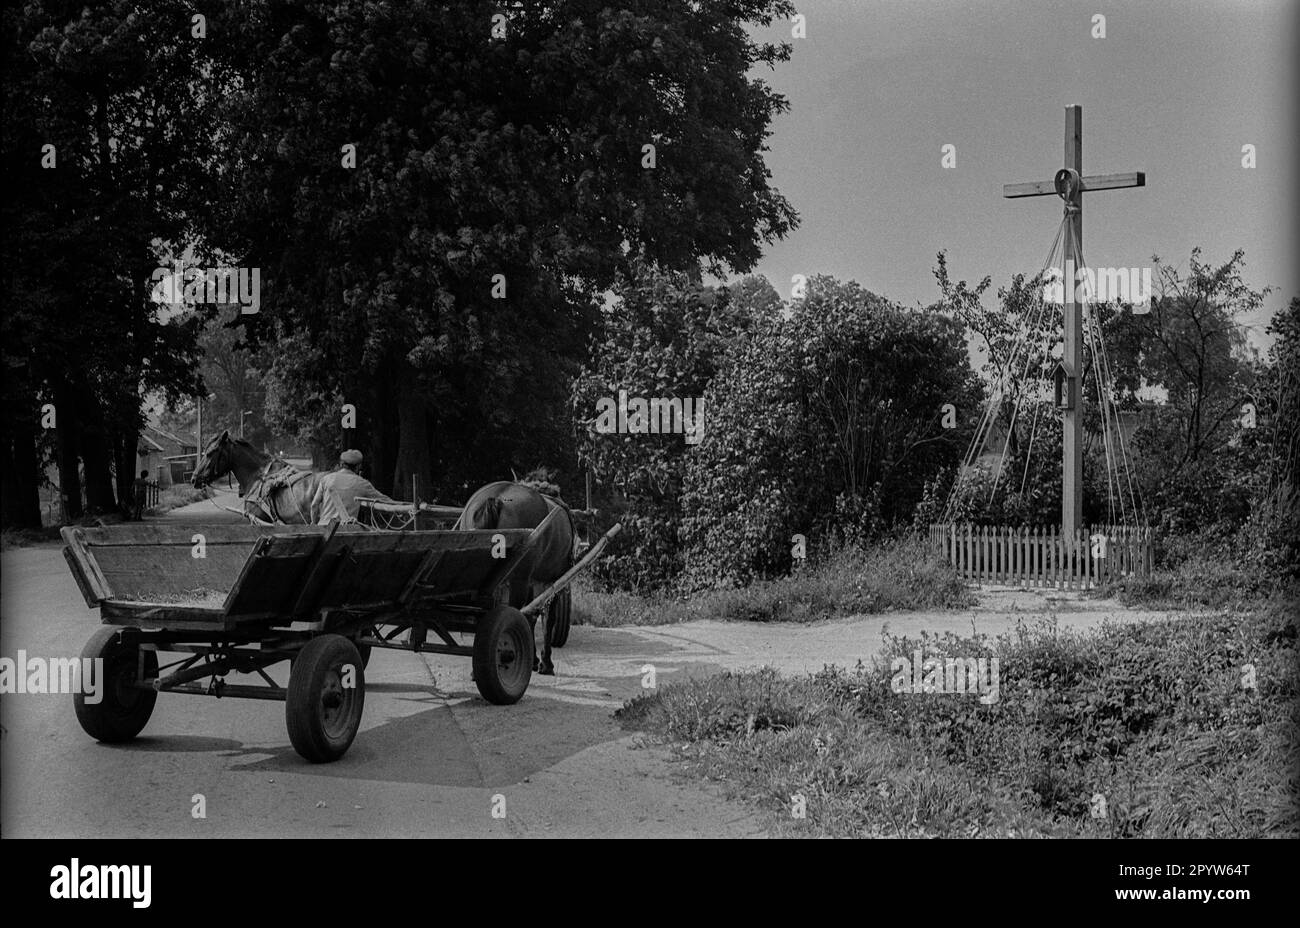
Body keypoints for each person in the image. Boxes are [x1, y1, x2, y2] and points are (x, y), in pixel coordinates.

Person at [318, 449, 395, 520]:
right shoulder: (362, 483)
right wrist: (401, 505)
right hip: (347, 528)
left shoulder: (326, 479)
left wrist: (314, 524)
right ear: (359, 466)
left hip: (324, 527)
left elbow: (314, 505)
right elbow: (383, 499)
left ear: (341, 464)